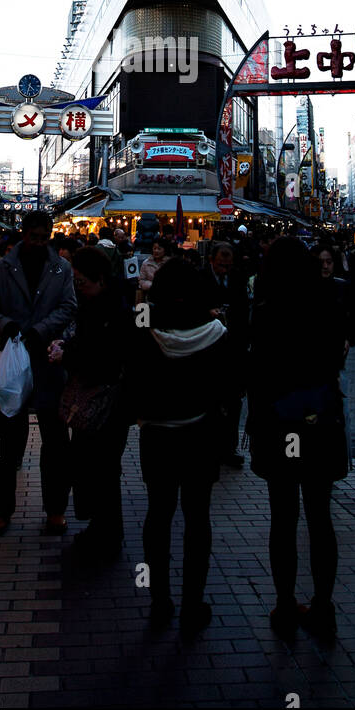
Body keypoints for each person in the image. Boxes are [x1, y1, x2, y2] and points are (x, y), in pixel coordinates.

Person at [246, 237, 349, 642]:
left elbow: (257, 372)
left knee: (283, 517)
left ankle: (285, 602)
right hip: (320, 422)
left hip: (278, 425)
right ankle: (323, 603)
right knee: (320, 516)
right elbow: (334, 361)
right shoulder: (327, 304)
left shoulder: (267, 309)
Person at [127, 259, 229, 639]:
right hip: (201, 435)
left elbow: (130, 369)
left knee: (158, 514)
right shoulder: (217, 331)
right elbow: (230, 385)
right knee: (197, 519)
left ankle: (159, 600)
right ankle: (192, 603)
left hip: (157, 434)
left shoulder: (142, 323)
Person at [0, 210, 75, 537]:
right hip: (11, 360)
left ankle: (56, 510)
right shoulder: (2, 268)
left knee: (56, 440)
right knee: (6, 438)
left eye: (44, 237)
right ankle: (0, 510)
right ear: (23, 234)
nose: (38, 242)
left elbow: (68, 306)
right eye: (33, 236)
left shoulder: (61, 268)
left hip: (48, 361)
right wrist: (9, 327)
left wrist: (41, 331)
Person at [52, 247, 132, 563]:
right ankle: (102, 530)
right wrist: (68, 346)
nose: (78, 287)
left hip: (106, 406)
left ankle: (106, 535)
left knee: (102, 470)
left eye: (82, 281)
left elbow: (105, 359)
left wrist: (68, 354)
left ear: (100, 279)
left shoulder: (115, 310)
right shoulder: (96, 303)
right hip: (99, 406)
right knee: (99, 471)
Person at [198, 242, 250, 467]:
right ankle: (208, 446)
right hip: (207, 349)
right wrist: (206, 311)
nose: (224, 270)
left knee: (233, 402)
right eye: (221, 265)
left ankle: (229, 448)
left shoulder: (238, 278)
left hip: (233, 349)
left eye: (228, 266)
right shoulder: (200, 278)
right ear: (211, 260)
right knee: (208, 400)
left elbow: (245, 309)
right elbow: (192, 304)